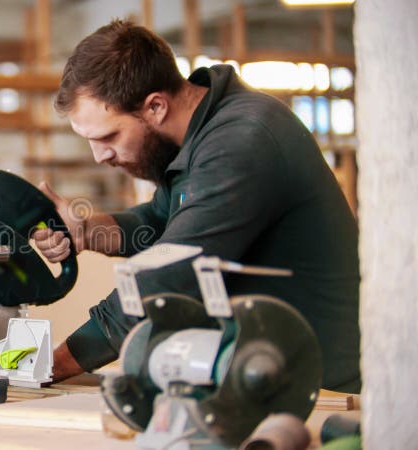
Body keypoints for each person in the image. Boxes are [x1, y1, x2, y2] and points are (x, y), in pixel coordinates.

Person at [31, 19, 361, 393]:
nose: (100, 156)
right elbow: (160, 221)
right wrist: (89, 231)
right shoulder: (200, 136)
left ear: (155, 106)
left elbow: (169, 274)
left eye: (109, 136)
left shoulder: (241, 141)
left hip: (320, 390)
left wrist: (48, 364)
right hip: (259, 374)